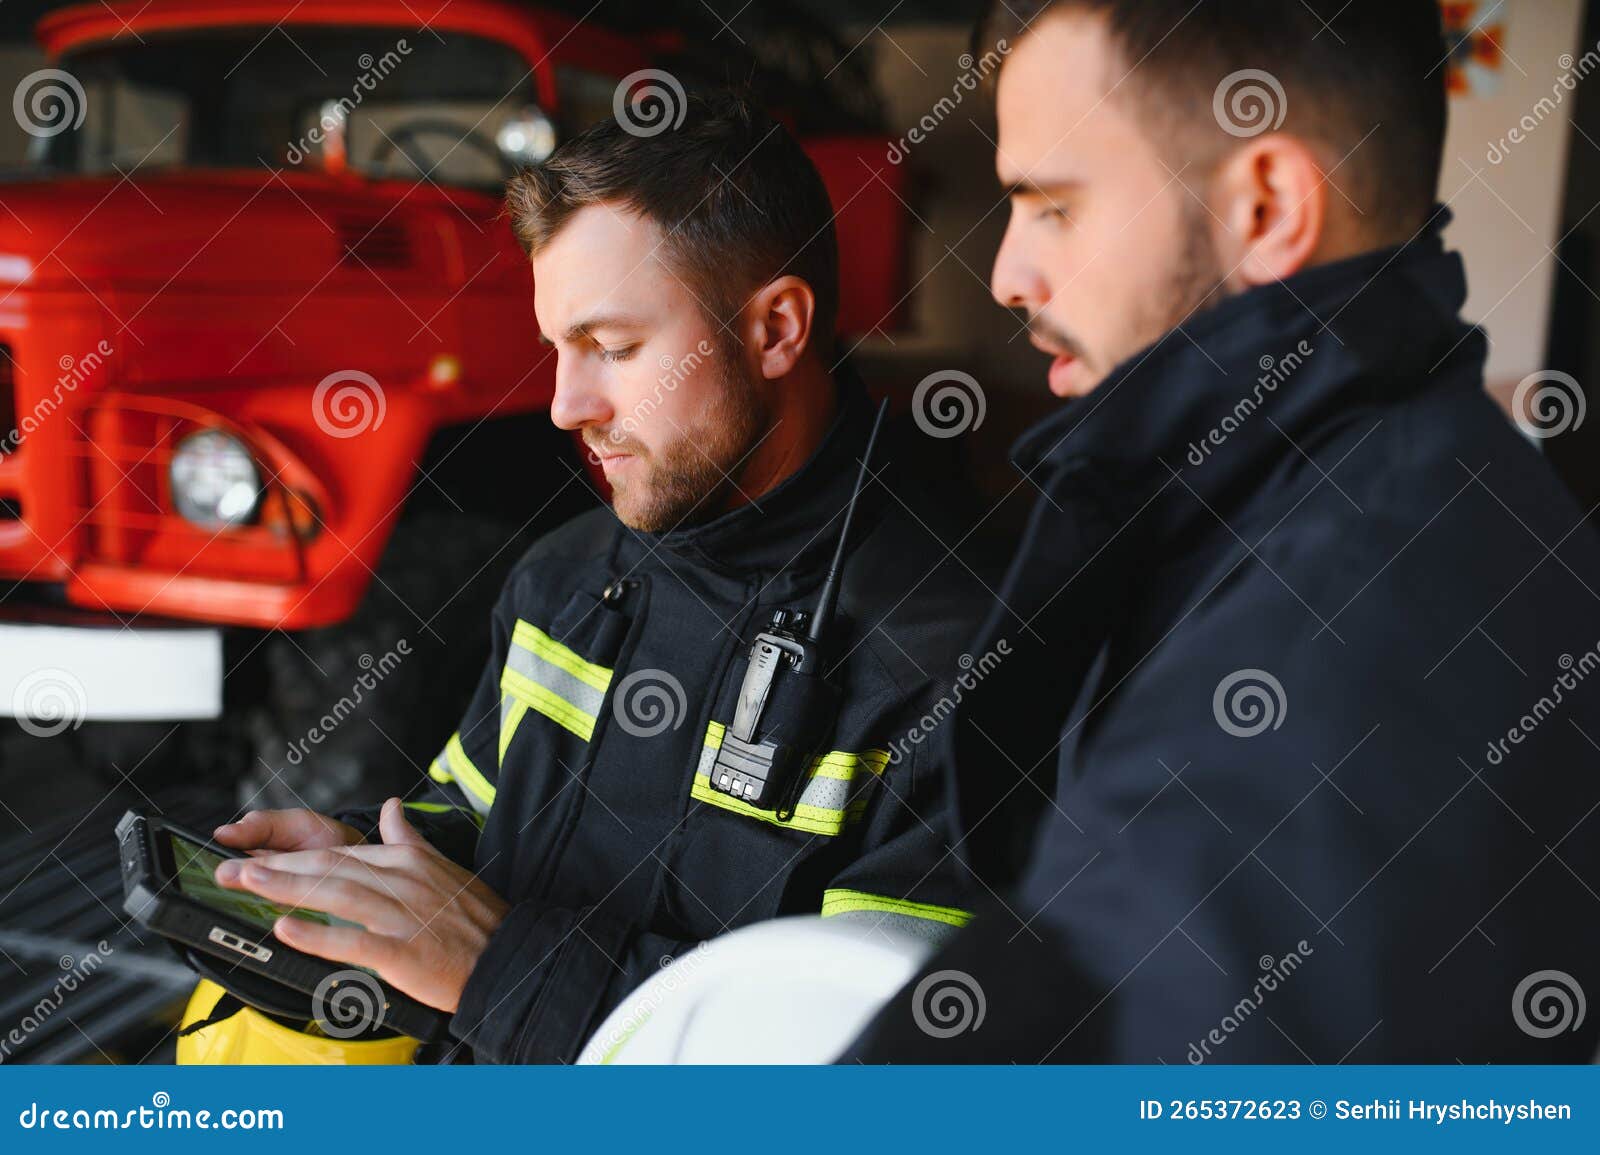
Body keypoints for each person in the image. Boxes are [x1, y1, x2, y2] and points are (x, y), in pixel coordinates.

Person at [848, 0, 1600, 1062]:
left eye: (1053, 207)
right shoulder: (1367, 484)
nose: (1007, 277)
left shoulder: (1341, 628)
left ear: (1264, 208)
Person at [209, 93, 986, 1063]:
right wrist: (364, 860)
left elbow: (877, 1063)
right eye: (557, 351)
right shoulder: (562, 577)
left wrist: (500, 969)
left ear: (776, 329)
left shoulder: (951, 654)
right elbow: (471, 817)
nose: (566, 405)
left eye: (613, 349)